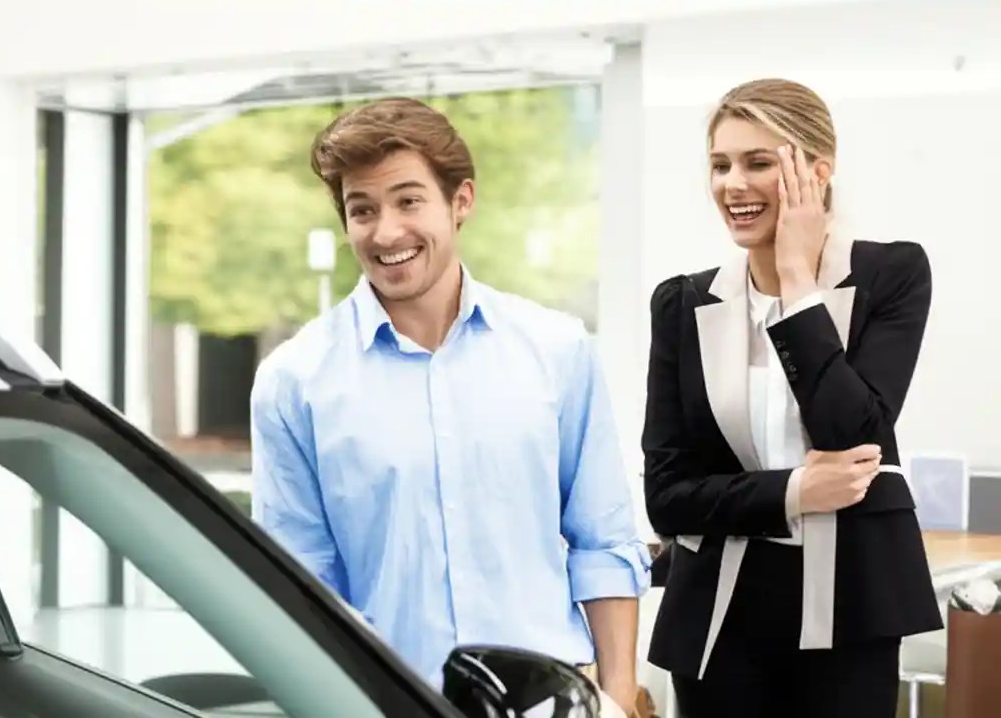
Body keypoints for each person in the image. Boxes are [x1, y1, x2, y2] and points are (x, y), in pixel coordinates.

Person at [249, 97, 650, 716]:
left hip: (546, 704)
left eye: (408, 201)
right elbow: (300, 584)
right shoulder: (293, 382)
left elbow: (603, 543)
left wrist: (617, 699)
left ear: (461, 201)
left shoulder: (557, 351)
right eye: (362, 209)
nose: (386, 232)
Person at [642, 77, 942, 717]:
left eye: (757, 163)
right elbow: (667, 496)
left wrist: (798, 283)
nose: (732, 184)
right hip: (718, 616)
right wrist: (795, 492)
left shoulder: (891, 275)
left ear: (818, 172)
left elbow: (853, 429)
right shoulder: (683, 303)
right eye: (720, 165)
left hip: (852, 607)